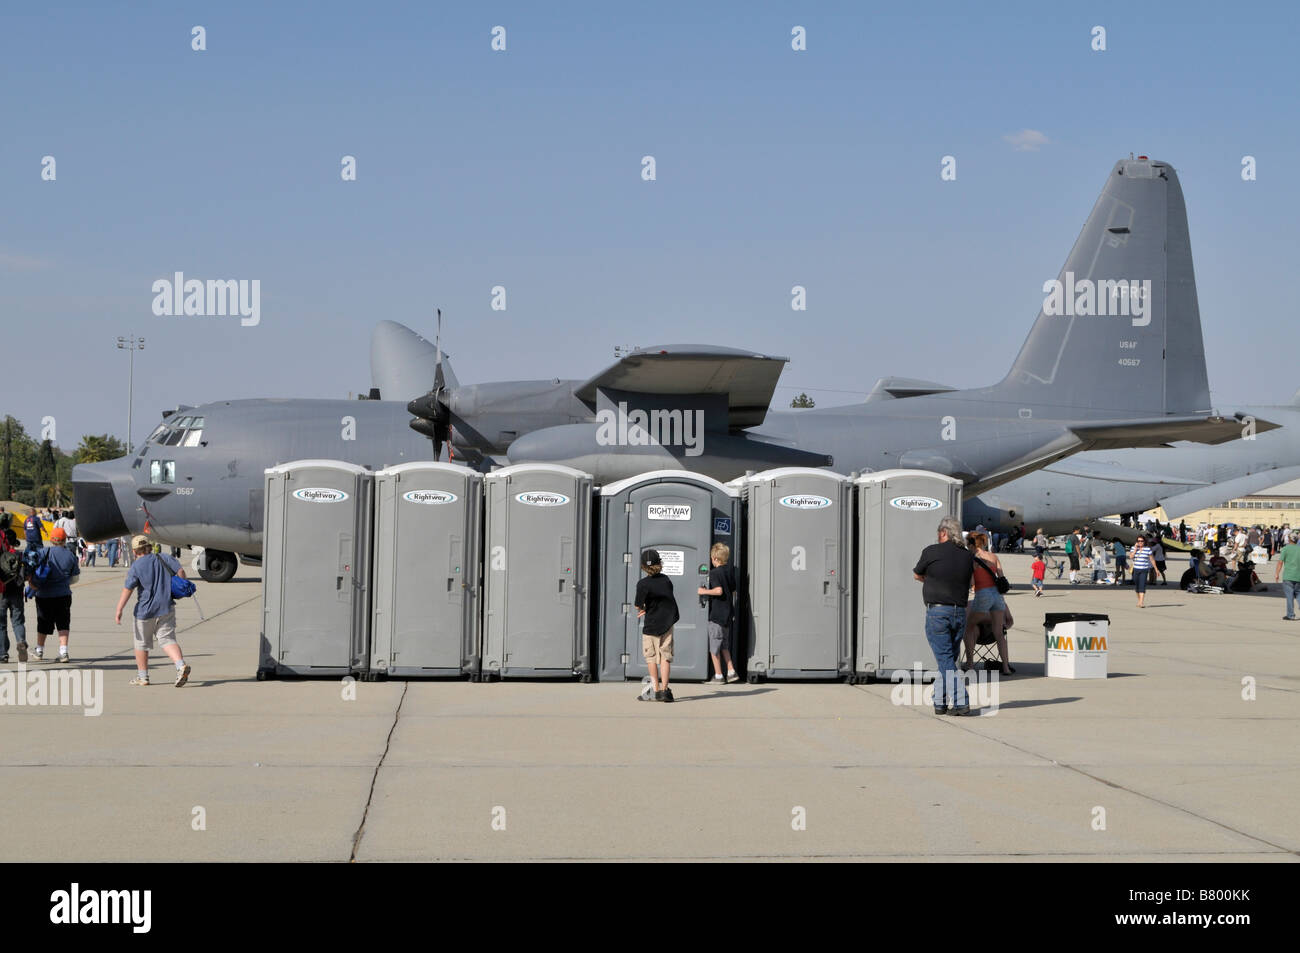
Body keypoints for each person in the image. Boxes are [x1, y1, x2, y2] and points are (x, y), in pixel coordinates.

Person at [913, 516, 975, 715]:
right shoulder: (967, 556)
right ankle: (939, 702)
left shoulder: (931, 551)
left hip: (938, 612)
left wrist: (932, 582)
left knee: (946, 660)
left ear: (943, 533)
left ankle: (961, 701)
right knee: (947, 659)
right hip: (959, 612)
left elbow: (917, 574)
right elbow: (971, 581)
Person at [114, 535, 192, 687]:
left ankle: (143, 677)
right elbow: (181, 572)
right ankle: (180, 665)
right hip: (166, 606)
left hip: (145, 611)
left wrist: (119, 609)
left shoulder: (136, 566)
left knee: (141, 644)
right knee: (168, 639)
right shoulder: (163, 557)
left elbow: (128, 589)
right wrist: (179, 587)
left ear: (135, 551)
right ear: (149, 546)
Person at [962, 532, 1014, 676]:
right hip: (997, 596)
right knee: (999, 633)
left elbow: (972, 583)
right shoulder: (993, 556)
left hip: (983, 594)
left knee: (968, 627)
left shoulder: (973, 559)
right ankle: (1005, 667)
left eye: (968, 545)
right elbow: (1001, 577)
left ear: (972, 545)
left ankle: (970, 664)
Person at [27, 526, 79, 661]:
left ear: (51, 539)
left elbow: (31, 568)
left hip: (44, 594)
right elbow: (75, 577)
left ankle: (39, 650)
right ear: (64, 540)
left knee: (43, 622)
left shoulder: (44, 552)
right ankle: (63, 652)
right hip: (63, 594)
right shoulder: (70, 555)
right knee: (63, 623)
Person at [634, 549, 679, 703]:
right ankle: (665, 691)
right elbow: (667, 599)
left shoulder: (642, 584)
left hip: (651, 625)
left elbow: (638, 605)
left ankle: (655, 689)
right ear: (659, 563)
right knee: (666, 656)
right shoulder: (666, 580)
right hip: (666, 623)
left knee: (651, 657)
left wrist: (644, 609)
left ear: (642, 566)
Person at [697, 542, 739, 684]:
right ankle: (732, 672)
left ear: (715, 558)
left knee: (714, 647)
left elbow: (718, 591)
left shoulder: (715, 573)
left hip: (717, 616)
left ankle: (719, 675)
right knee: (724, 646)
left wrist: (703, 591)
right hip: (727, 615)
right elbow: (732, 591)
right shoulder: (729, 571)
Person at [1, 528, 27, 663]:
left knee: (1, 625)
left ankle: (3, 654)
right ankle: (21, 641)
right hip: (17, 592)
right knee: (18, 622)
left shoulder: (1, 556)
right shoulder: (20, 555)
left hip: (2, 593)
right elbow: (25, 576)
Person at [1274, 531, 1300, 620]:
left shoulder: (1285, 549)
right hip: (1298, 576)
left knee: (1290, 596)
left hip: (1288, 576)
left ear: (1289, 540)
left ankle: (1291, 615)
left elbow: (1280, 562)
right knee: (1298, 594)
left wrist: (1277, 574)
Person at [1130, 535, 1152, 608]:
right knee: (1137, 586)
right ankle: (1139, 600)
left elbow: (1152, 559)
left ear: (1144, 541)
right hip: (1135, 569)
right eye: (1138, 541)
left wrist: (1156, 569)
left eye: (1141, 541)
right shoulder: (1133, 548)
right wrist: (1135, 549)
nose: (1140, 542)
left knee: (1142, 586)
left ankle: (1141, 602)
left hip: (1144, 569)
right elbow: (1131, 557)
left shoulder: (1147, 549)